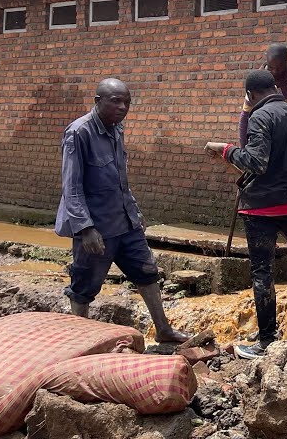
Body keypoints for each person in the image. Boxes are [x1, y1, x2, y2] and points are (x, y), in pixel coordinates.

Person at [207, 70, 287, 360]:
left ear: (251, 95)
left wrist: (225, 149)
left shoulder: (260, 117)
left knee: (262, 271)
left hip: (261, 207)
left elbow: (256, 161)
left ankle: (267, 340)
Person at [55, 78, 188, 343]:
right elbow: (72, 186)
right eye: (115, 101)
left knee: (147, 271)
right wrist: (86, 228)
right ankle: (79, 342)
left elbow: (119, 178)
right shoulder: (79, 133)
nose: (122, 107)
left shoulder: (116, 129)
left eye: (126, 102)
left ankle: (163, 330)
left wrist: (134, 211)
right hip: (96, 227)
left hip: (125, 223)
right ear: (98, 101)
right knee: (84, 286)